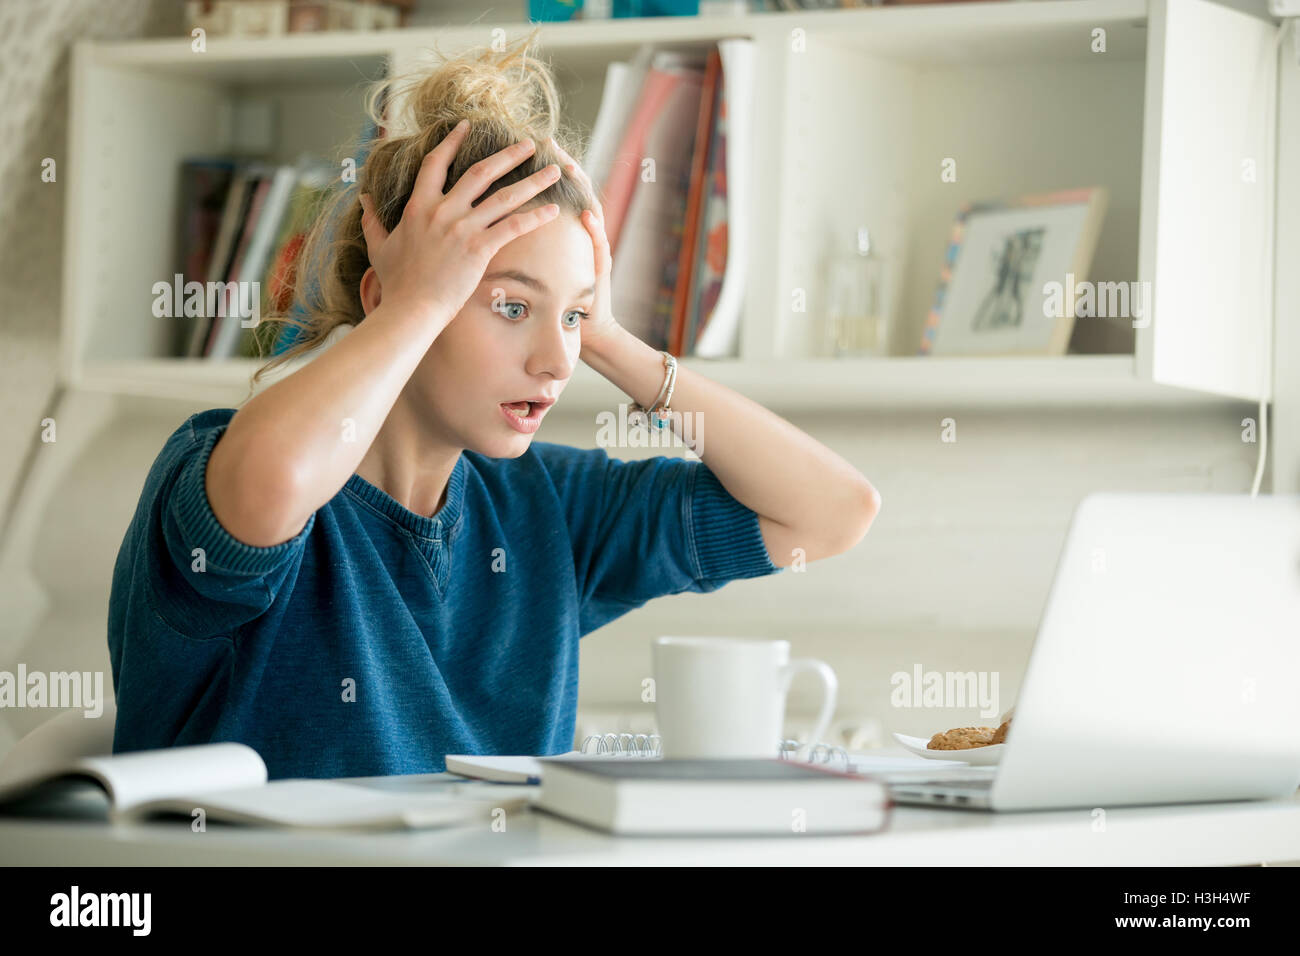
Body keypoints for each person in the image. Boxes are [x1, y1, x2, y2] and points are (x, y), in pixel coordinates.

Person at [107, 31, 881, 779]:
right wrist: (415, 308)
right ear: (393, 296)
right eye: (511, 307)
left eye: (571, 319)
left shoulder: (546, 506)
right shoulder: (217, 465)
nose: (556, 361)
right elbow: (272, 486)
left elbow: (831, 512)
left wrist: (612, 339)